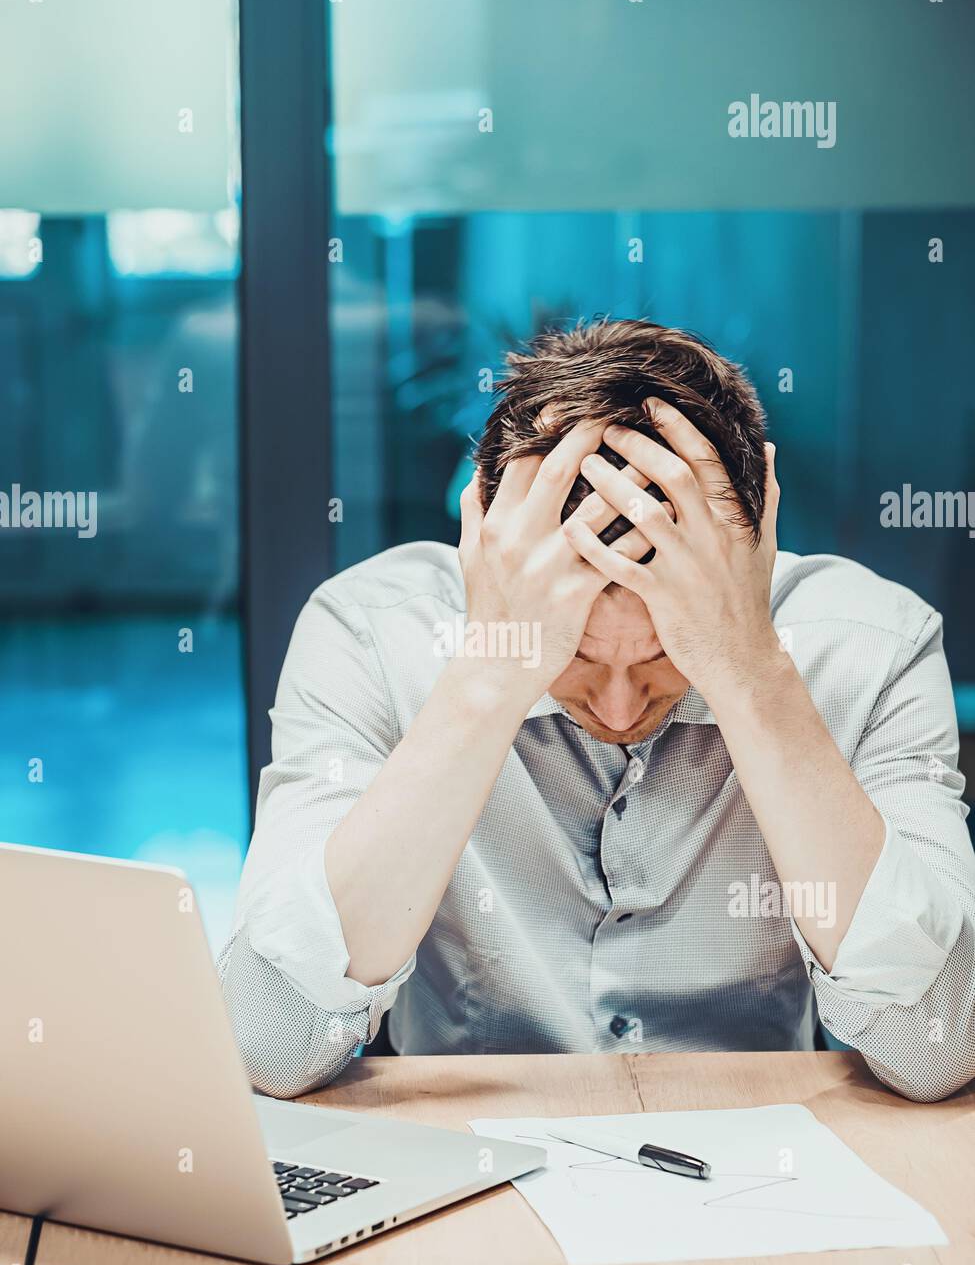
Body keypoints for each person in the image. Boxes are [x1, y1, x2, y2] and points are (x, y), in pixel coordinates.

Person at [218, 319, 975, 1102]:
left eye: (663, 655)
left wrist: (747, 672)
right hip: (468, 1165)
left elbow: (939, 1049)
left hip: (759, 1160)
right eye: (573, 655)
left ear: (752, 554)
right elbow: (273, 1043)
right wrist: (492, 675)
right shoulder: (371, 635)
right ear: (488, 546)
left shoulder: (872, 647)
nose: (617, 708)